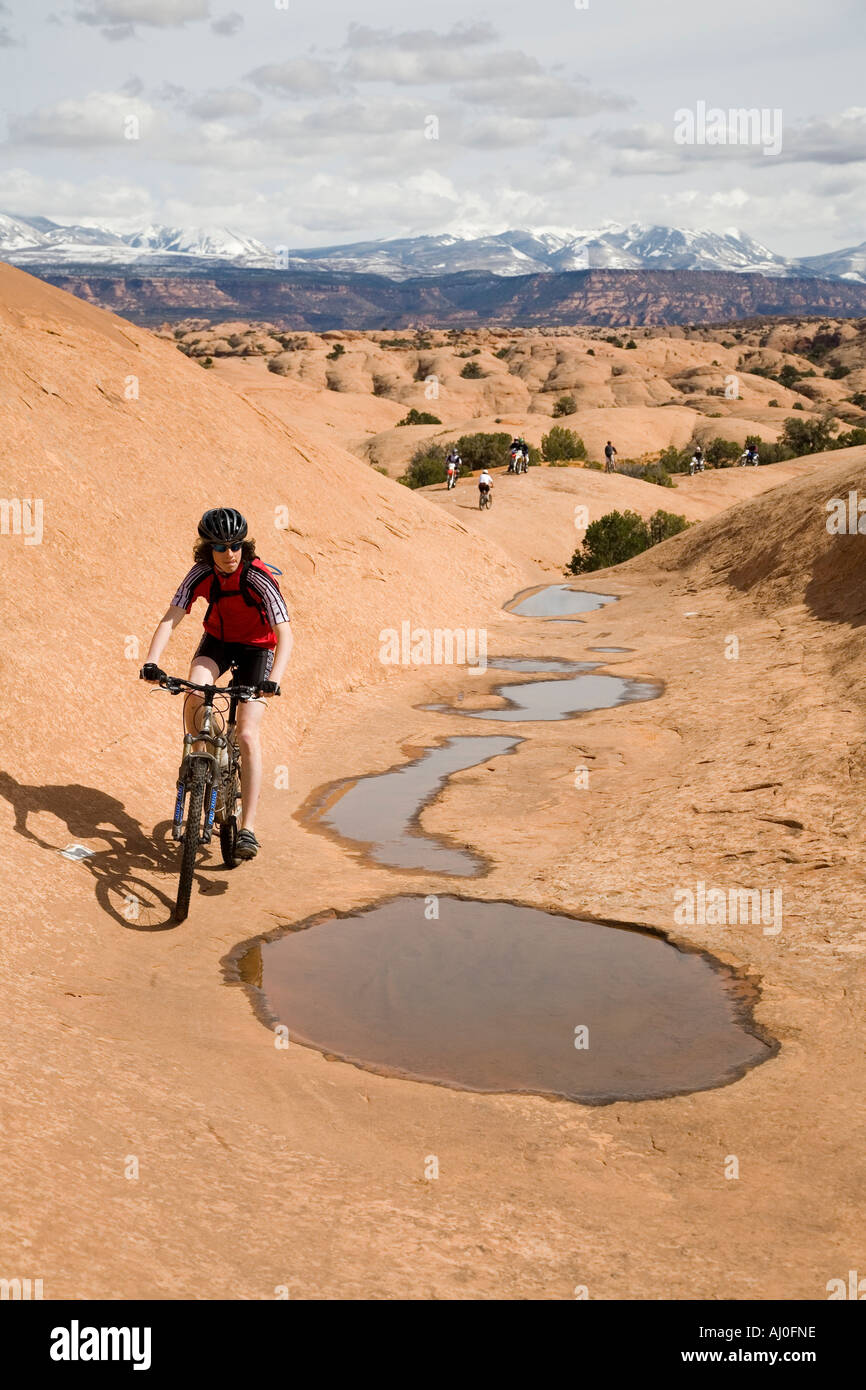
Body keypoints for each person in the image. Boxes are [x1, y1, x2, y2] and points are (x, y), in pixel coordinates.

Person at [140, 507, 293, 861]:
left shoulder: (258, 578)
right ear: (208, 549)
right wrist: (151, 661)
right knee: (195, 690)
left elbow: (285, 633)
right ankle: (201, 756)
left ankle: (248, 828)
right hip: (218, 643)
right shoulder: (201, 574)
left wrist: (273, 681)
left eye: (236, 545)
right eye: (221, 547)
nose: (229, 554)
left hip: (258, 649)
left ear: (244, 546)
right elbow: (171, 617)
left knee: (248, 734)